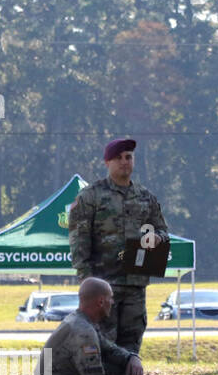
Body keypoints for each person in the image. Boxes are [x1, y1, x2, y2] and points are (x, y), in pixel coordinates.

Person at [68, 137, 169, 355]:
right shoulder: (91, 196)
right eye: (118, 158)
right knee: (103, 342)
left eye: (128, 157)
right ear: (107, 162)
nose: (124, 162)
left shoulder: (145, 197)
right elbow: (79, 240)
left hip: (135, 283)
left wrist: (158, 238)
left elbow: (162, 230)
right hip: (104, 286)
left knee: (132, 342)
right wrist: (86, 280)